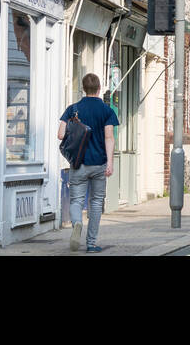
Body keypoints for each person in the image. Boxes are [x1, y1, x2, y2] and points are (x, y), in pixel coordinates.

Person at [58, 73, 119, 253]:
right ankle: (91, 243)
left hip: (79, 163)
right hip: (99, 164)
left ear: (83, 89)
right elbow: (109, 137)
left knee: (76, 200)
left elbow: (61, 134)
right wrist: (110, 163)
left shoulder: (73, 109)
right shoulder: (107, 111)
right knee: (96, 202)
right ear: (99, 88)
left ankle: (77, 223)